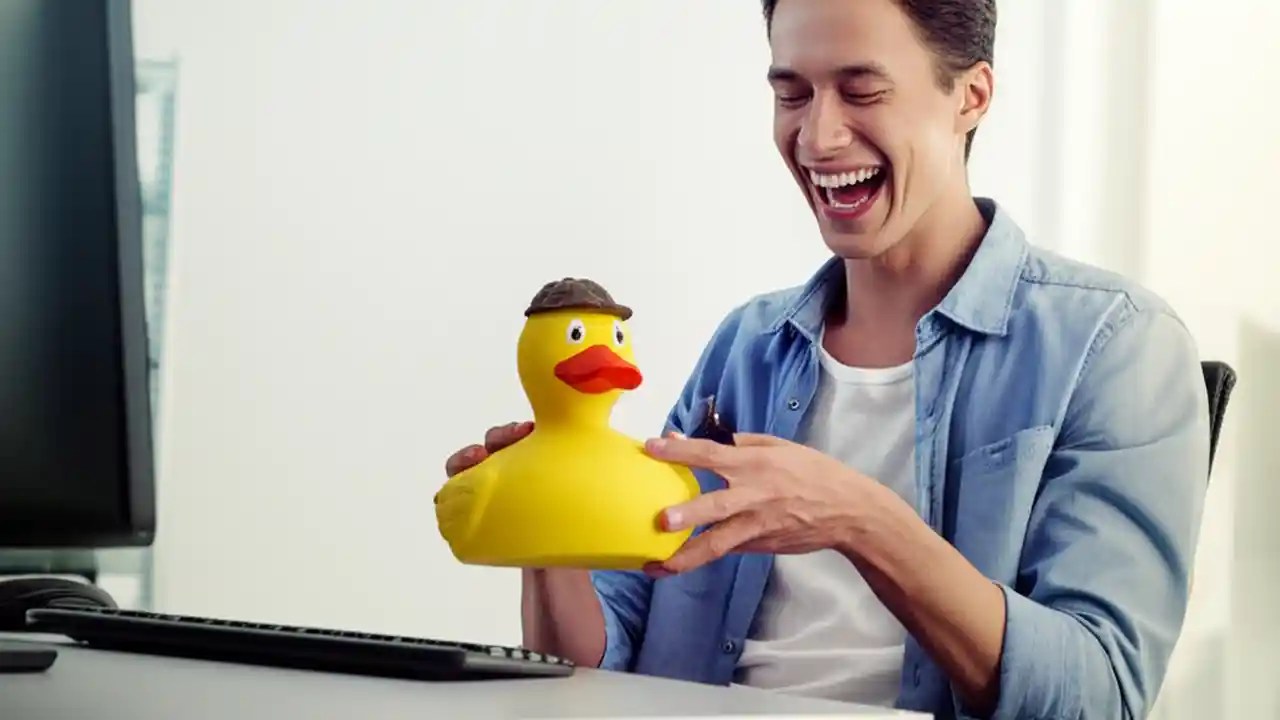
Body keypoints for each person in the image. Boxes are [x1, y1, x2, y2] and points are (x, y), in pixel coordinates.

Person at [441, 0, 1209, 717]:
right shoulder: (747, 347)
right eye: (792, 94)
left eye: (862, 91)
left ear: (971, 96)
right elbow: (600, 662)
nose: (818, 137)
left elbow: (1099, 694)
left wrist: (860, 520)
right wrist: (547, 526)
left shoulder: (1115, 346)